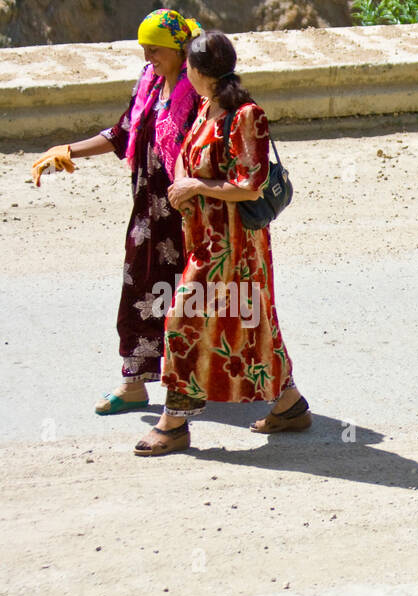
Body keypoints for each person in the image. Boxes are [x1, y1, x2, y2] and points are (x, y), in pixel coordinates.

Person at [134, 30, 309, 456]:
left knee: (183, 320)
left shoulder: (246, 115)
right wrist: (181, 181)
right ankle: (289, 404)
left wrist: (195, 186)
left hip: (233, 247)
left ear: (197, 70)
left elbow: (248, 186)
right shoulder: (208, 107)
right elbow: (185, 151)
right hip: (206, 239)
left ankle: (174, 422)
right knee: (253, 322)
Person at [30, 9, 201, 416]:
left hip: (191, 214)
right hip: (149, 216)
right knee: (141, 292)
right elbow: (122, 133)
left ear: (180, 49)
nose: (148, 58)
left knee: (195, 299)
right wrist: (68, 150)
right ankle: (134, 383)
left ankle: (199, 381)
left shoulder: (200, 90)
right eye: (144, 50)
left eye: (155, 50)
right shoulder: (150, 85)